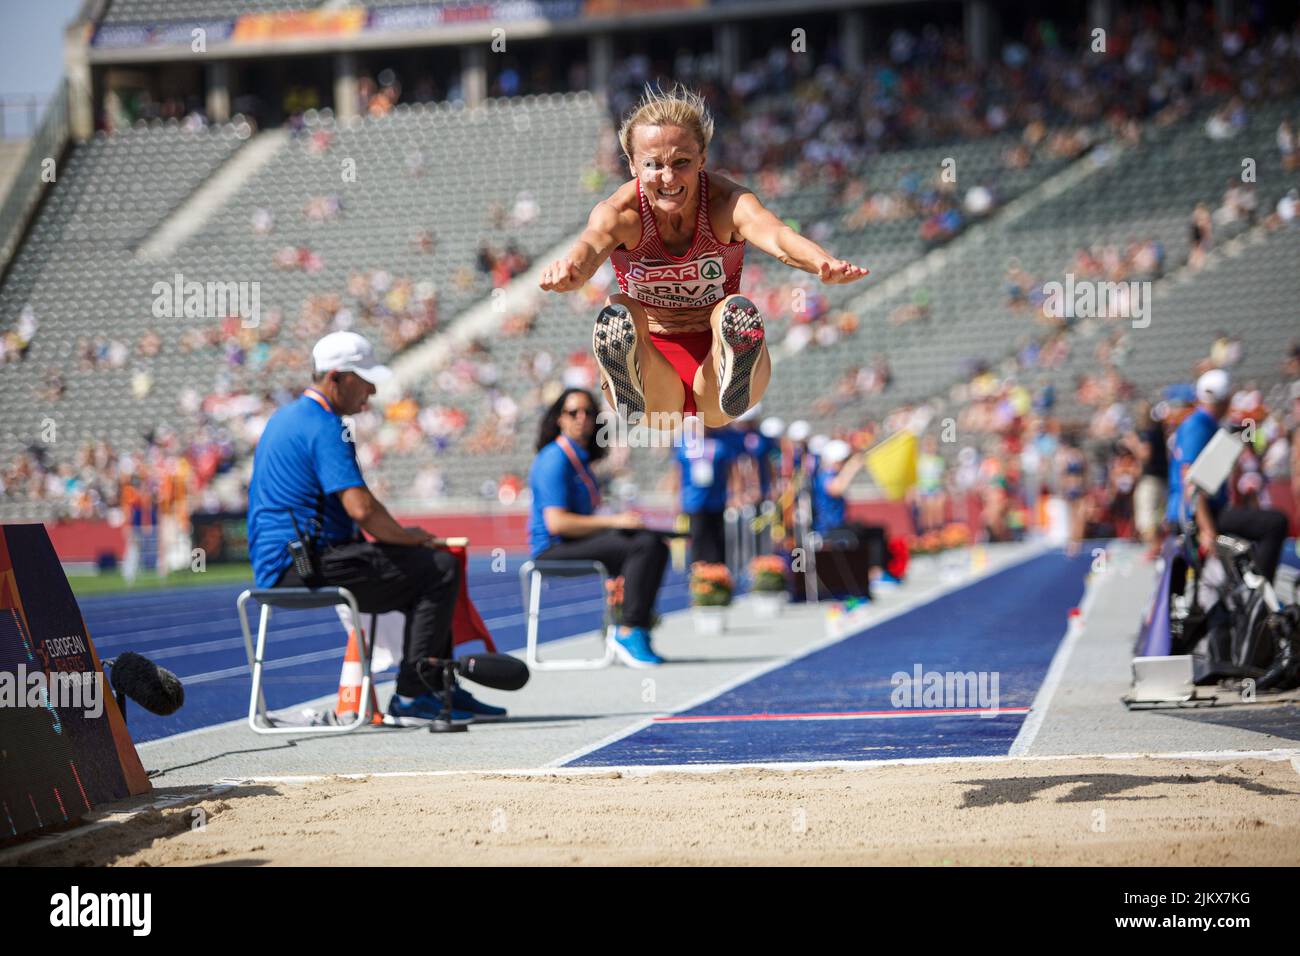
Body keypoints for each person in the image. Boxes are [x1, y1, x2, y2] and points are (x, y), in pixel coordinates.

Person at [538, 85, 868, 428]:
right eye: (654, 165)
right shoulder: (621, 213)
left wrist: (820, 261)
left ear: (703, 158)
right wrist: (571, 269)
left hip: (716, 361)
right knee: (620, 309)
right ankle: (629, 372)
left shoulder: (727, 203)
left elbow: (777, 236)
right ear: (633, 165)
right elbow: (590, 245)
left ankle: (735, 359)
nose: (668, 178)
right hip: (654, 364)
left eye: (681, 162)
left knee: (730, 310)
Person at [247, 331, 504, 726]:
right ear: (337, 378)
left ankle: (434, 685)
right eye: (364, 380)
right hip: (303, 565)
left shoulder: (285, 417)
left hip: (283, 564)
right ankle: (416, 694)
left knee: (422, 569)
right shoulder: (326, 424)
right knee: (439, 568)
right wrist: (411, 537)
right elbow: (362, 508)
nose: (371, 390)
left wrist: (405, 540)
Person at [527, 388, 671, 667]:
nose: (582, 418)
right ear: (559, 418)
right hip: (552, 549)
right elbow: (557, 522)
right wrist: (614, 522)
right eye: (573, 412)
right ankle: (629, 629)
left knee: (652, 542)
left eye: (588, 412)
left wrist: (619, 523)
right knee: (644, 545)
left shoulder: (579, 458)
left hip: (575, 542)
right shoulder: (553, 458)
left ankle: (635, 626)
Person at [1167, 369, 1290, 583]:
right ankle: (1257, 599)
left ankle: (1249, 592)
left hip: (1199, 513)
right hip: (1197, 516)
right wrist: (1207, 530)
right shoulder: (1199, 425)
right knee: (1275, 523)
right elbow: (1193, 484)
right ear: (1226, 398)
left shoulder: (1203, 424)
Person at [673, 422, 740, 566]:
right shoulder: (684, 442)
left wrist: (734, 494)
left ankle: (719, 573)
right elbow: (678, 471)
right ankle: (700, 574)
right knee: (698, 537)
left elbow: (732, 471)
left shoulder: (721, 442)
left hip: (717, 498)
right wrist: (677, 497)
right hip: (693, 500)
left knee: (718, 538)